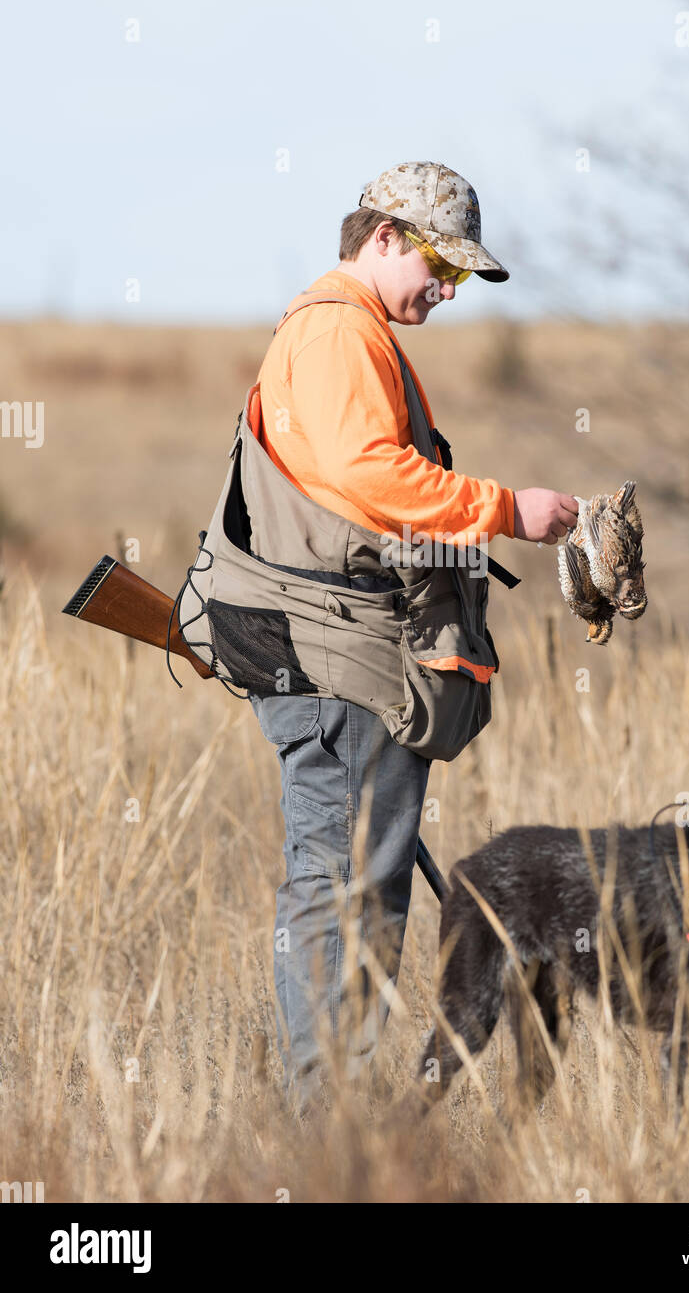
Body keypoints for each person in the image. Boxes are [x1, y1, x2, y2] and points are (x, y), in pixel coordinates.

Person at [249, 161, 579, 1110]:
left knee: (353, 882)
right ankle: (331, 1134)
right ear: (383, 236)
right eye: (440, 264)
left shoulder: (339, 329)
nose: (447, 288)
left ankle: (330, 1122)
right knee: (351, 889)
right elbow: (374, 477)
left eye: (463, 277)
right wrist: (509, 509)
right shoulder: (338, 331)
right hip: (344, 661)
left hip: (343, 659)